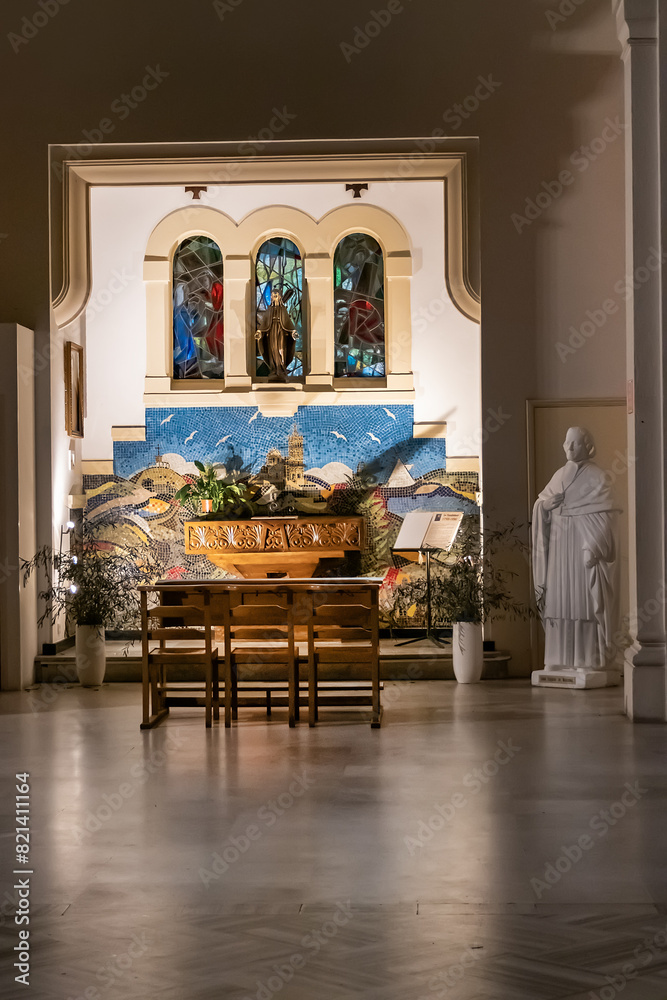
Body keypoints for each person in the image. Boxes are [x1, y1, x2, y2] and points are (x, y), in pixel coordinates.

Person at [532, 426, 620, 673]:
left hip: (582, 552)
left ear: (587, 446)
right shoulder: (559, 475)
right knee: (559, 603)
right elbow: (541, 506)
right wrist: (544, 507)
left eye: (575, 443)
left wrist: (594, 546)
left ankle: (588, 661)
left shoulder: (599, 478)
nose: (569, 447)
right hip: (559, 552)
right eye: (566, 442)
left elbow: (607, 520)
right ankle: (557, 659)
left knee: (583, 604)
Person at [255, 288, 298, 381]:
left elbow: (288, 322)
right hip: (271, 332)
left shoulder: (283, 309)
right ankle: (274, 369)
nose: (275, 298)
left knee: (281, 349)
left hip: (281, 332)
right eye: (273, 296)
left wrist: (293, 332)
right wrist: (259, 332)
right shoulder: (269, 309)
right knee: (273, 350)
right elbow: (265, 322)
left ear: (279, 297)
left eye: (276, 296)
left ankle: (281, 368)